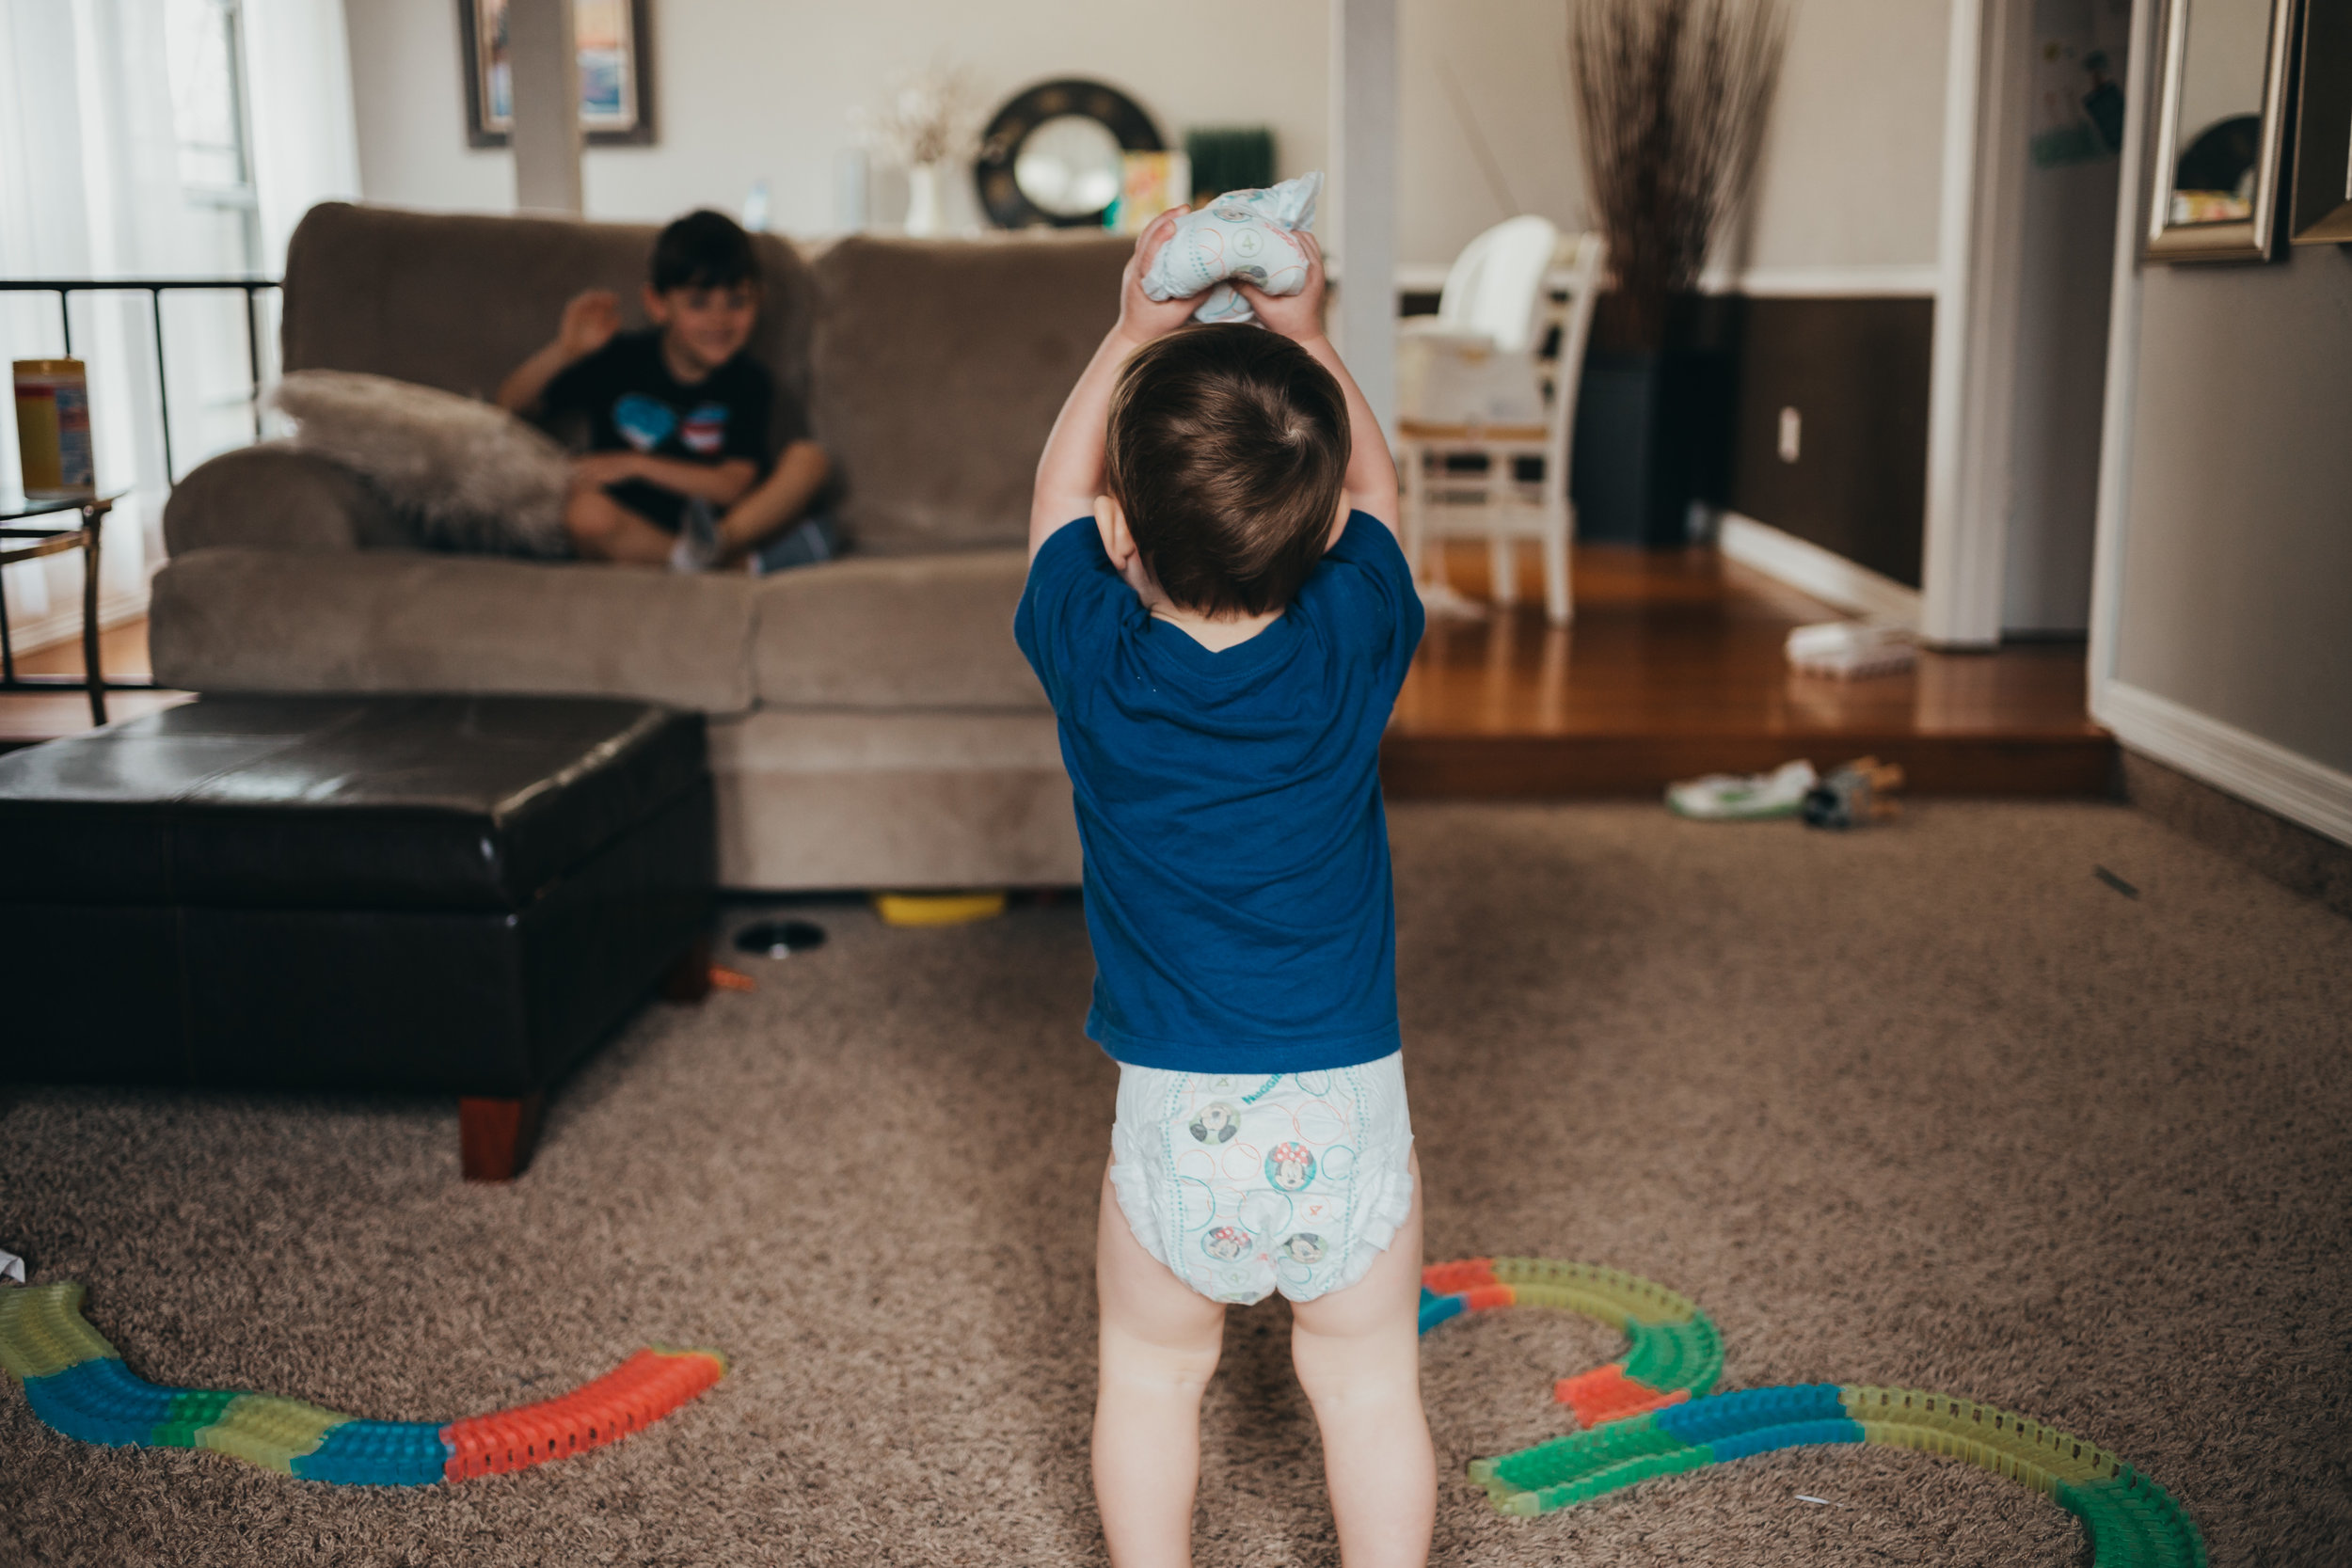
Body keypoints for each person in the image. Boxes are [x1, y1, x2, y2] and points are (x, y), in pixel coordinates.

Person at [1017, 207, 1432, 1568]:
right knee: (1369, 1387)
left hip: (1177, 1119)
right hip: (1347, 1110)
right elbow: (1386, 498)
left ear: (1119, 523)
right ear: (1311, 532)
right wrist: (1309, 335)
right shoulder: (1347, 645)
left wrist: (1131, 330)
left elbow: (1044, 508)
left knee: (1147, 1372)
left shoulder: (1098, 661)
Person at [496, 208, 832, 572]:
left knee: (809, 460)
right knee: (583, 513)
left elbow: (731, 486)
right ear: (657, 304)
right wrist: (564, 351)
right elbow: (508, 408)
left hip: (722, 525)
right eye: (698, 303)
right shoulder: (618, 359)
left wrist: (637, 464)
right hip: (631, 524)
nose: (719, 320)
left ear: (758, 300)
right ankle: (721, 565)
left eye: (737, 302)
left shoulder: (749, 381)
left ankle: (711, 551)